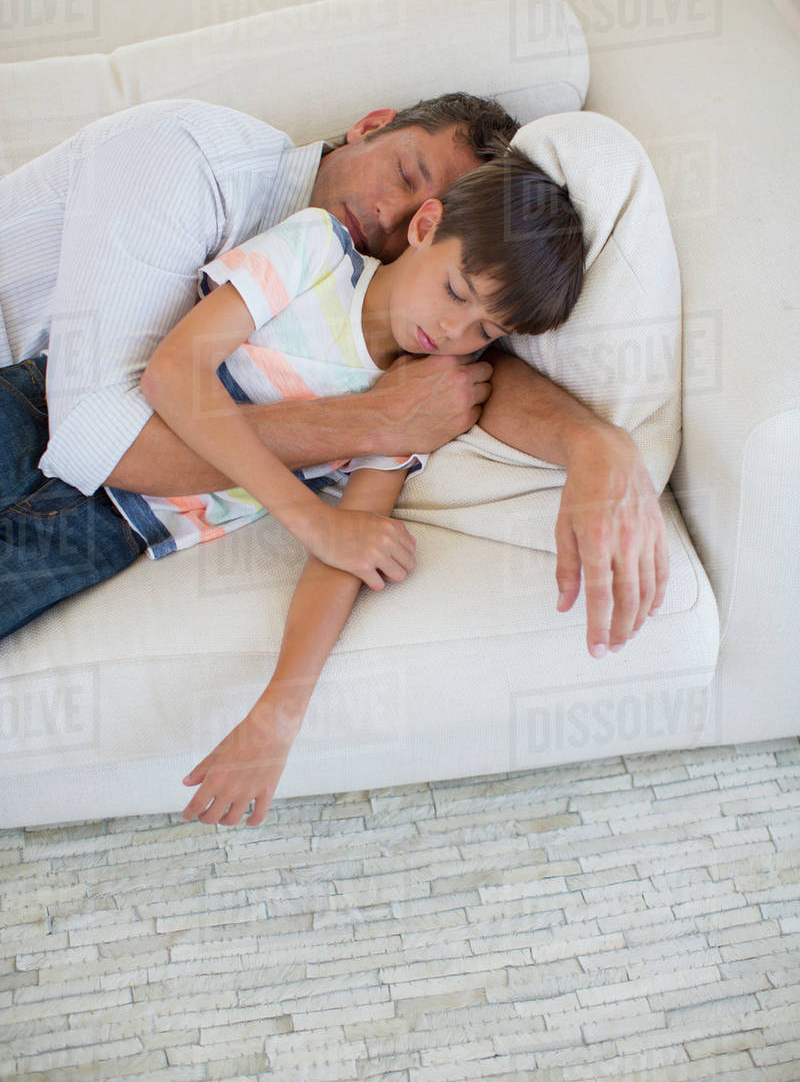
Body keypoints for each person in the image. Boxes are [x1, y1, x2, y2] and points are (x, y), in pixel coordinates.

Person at [0, 94, 667, 653]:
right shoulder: (192, 163)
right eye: (405, 174)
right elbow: (94, 438)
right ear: (372, 125)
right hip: (32, 408)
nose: (390, 218)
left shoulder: (411, 315)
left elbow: (472, 370)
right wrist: (369, 425)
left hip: (103, 529)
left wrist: (596, 442)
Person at [134, 150, 585, 826]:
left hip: (116, 531)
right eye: (455, 291)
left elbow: (342, 558)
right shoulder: (319, 249)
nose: (453, 332)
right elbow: (172, 373)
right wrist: (314, 521)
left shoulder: (416, 398)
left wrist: (278, 713)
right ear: (425, 226)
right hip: (50, 433)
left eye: (486, 331)